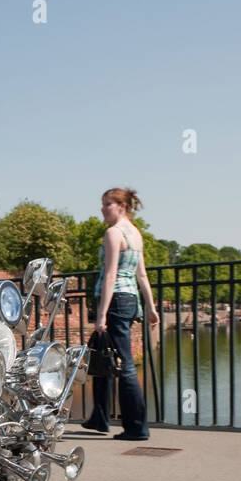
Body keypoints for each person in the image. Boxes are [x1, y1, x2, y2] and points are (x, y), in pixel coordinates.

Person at [87, 188, 159, 440]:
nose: (103, 209)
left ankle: (136, 427)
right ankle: (100, 418)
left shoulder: (113, 233)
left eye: (107, 204)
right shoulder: (135, 234)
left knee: (124, 365)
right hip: (130, 300)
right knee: (108, 357)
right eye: (103, 204)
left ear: (122, 205)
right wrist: (150, 306)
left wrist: (101, 314)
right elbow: (141, 274)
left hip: (116, 300)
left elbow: (110, 275)